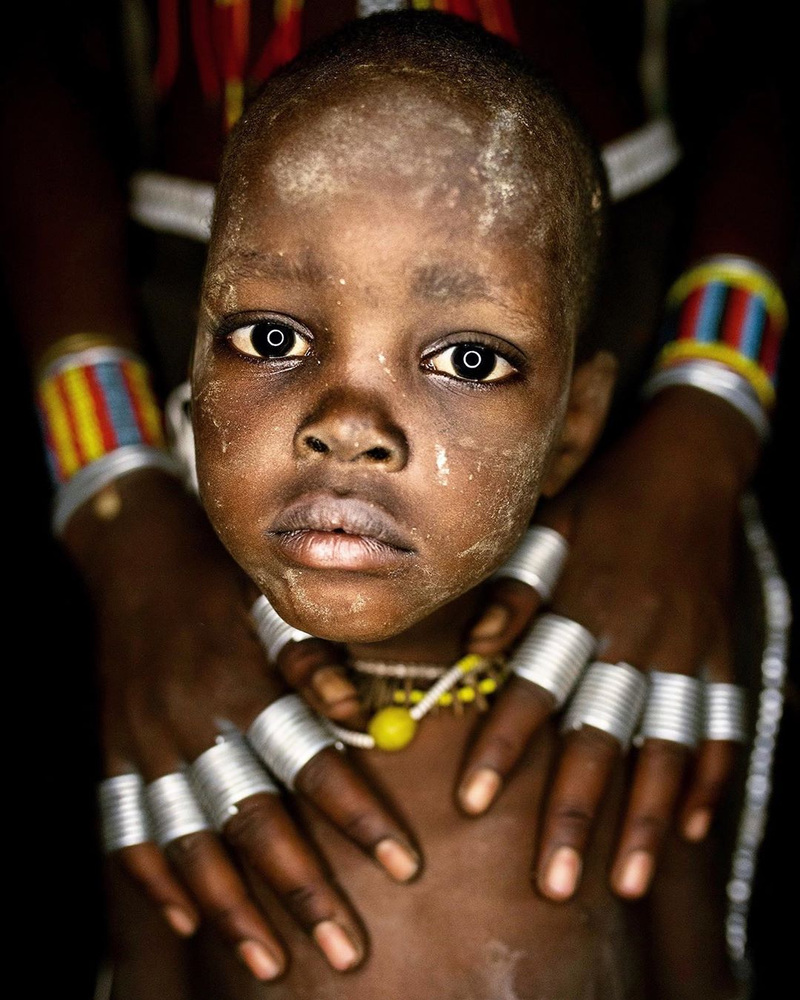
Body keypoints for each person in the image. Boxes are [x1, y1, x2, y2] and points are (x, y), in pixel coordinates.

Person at [1, 2, 792, 995]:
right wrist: (112, 489)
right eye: (271, 337)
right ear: (192, 384)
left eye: (466, 359)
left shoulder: (626, 738)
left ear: (574, 420)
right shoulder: (177, 726)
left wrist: (707, 410)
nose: (348, 418)